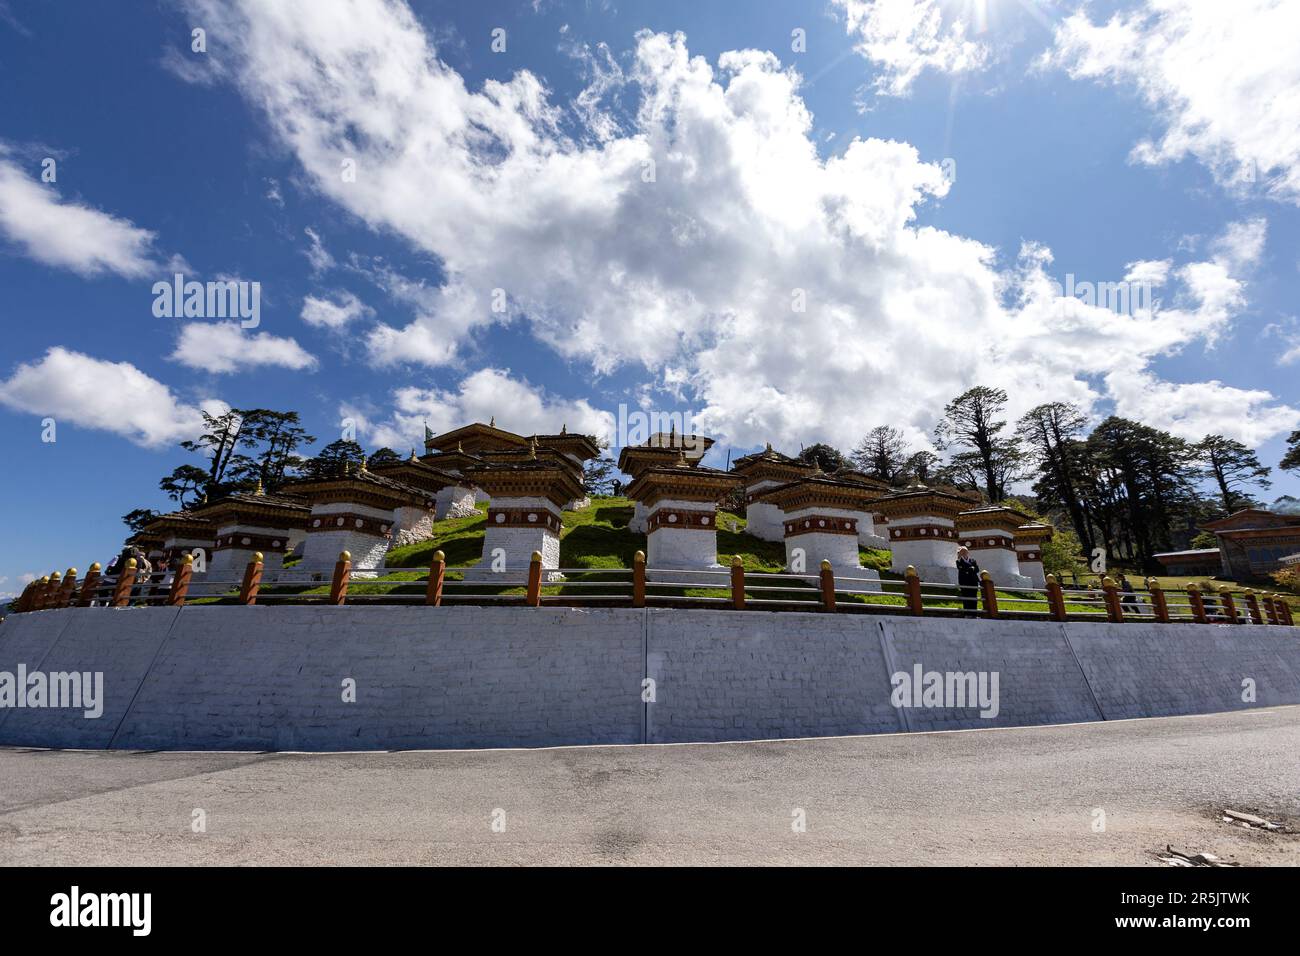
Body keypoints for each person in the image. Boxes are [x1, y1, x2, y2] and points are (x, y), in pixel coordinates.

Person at [956, 546, 981, 613]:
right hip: (964, 581)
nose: (964, 553)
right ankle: (967, 613)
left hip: (973, 581)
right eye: (962, 551)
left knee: (974, 597)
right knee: (966, 597)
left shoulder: (973, 560)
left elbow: (977, 569)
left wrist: (971, 569)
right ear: (960, 553)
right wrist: (971, 568)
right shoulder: (958, 561)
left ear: (968, 552)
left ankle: (974, 613)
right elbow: (961, 569)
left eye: (965, 551)